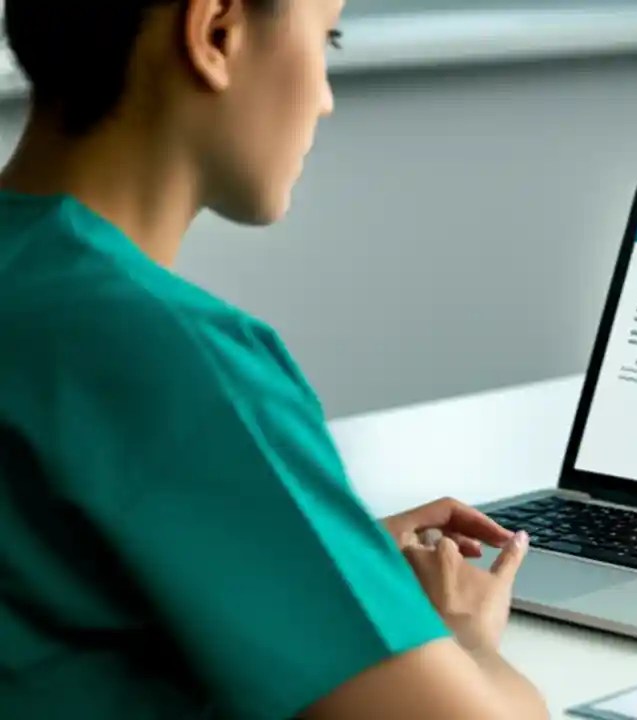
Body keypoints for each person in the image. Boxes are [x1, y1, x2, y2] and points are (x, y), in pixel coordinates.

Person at [0, 0, 547, 717]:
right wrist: (458, 641)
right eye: (328, 40)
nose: (323, 99)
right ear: (216, 33)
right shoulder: (170, 354)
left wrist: (326, 565)